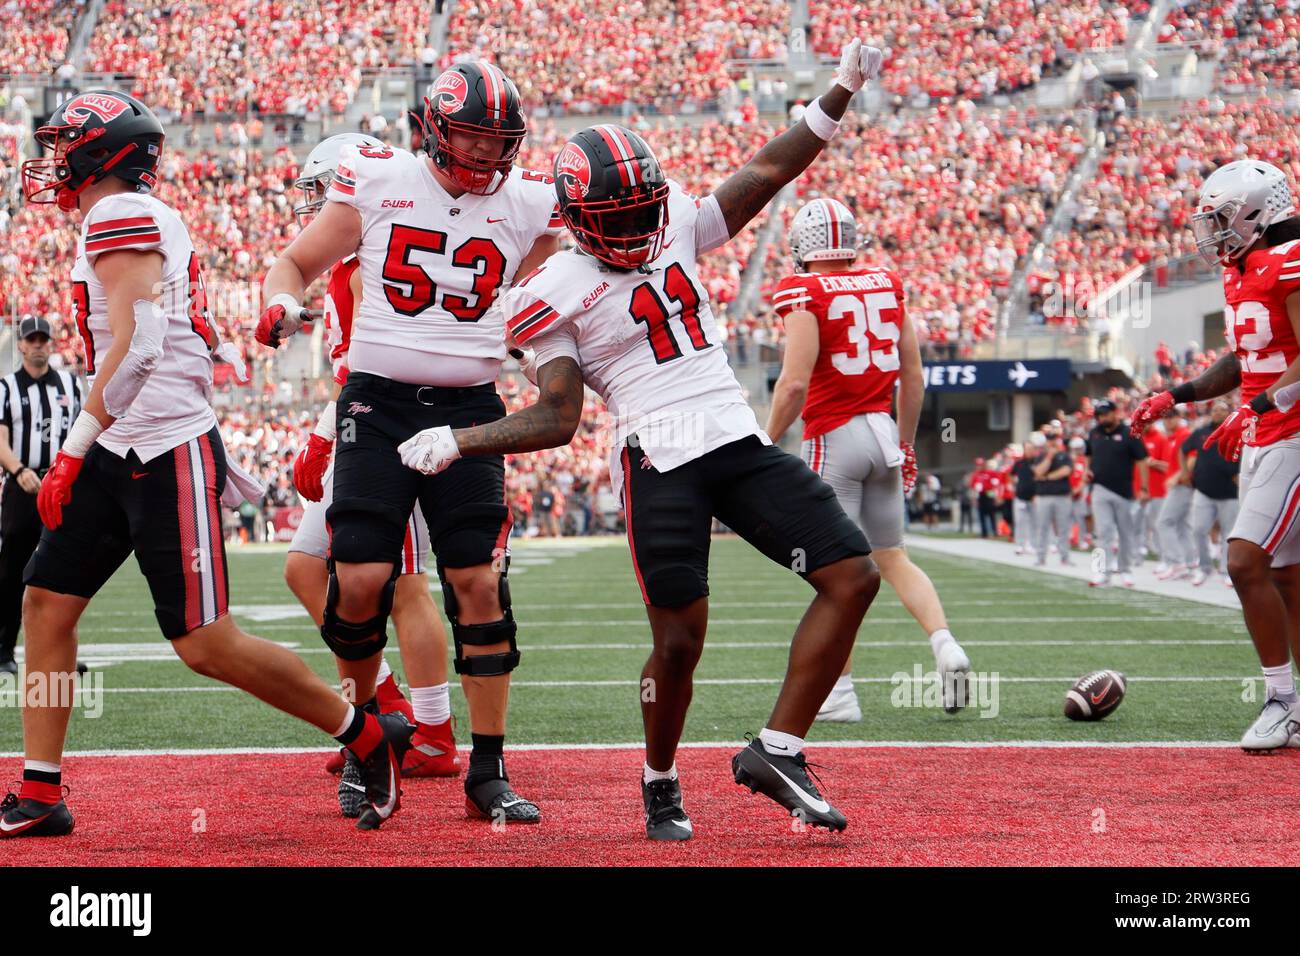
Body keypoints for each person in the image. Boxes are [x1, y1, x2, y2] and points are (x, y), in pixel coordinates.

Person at [397, 40, 887, 839]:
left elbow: (768, 170)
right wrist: (464, 438)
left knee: (853, 574)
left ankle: (778, 748)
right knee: (681, 641)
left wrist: (839, 89)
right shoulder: (549, 292)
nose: (634, 227)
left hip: (731, 436)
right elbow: (559, 419)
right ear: (578, 220)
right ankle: (661, 780)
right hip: (659, 459)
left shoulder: (680, 223)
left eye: (640, 209)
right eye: (614, 217)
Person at [4, 90, 412, 838]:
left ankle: (362, 730)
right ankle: (39, 788)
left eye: (68, 144)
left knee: (203, 643)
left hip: (162, 447)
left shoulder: (117, 213)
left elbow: (144, 345)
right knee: (46, 604)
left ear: (104, 153)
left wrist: (70, 449)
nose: (56, 159)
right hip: (120, 440)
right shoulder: (119, 216)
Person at [259, 62, 562, 823]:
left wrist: (531, 322)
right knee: (357, 582)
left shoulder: (529, 203)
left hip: (471, 409)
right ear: (433, 128)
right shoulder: (378, 178)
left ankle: (487, 766)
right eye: (472, 137)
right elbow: (297, 261)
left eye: (500, 142)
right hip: (378, 404)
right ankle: (368, 745)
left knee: (479, 585)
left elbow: (561, 277)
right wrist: (276, 299)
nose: (489, 156)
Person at [281, 134, 459, 816]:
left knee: (407, 584)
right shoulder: (349, 265)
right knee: (304, 568)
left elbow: (366, 370)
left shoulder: (368, 264)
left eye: (319, 192)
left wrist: (320, 439)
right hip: (362, 428)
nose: (312, 205)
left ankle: (437, 734)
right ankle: (382, 712)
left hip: (388, 432)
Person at [764, 195, 971, 723]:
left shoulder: (802, 289)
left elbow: (793, 383)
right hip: (882, 432)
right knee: (894, 556)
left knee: (836, 574)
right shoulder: (886, 283)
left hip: (833, 436)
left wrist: (764, 440)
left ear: (802, 246)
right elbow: (915, 378)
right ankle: (946, 645)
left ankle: (840, 693)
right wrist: (904, 442)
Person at [1130, 159, 1300, 751]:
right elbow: (1244, 360)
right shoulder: (1242, 270)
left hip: (1291, 433)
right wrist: (1175, 396)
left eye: (1223, 218)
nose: (1213, 231)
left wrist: (1257, 411)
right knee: (1286, 576)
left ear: (1259, 212)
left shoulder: (1290, 259)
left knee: (1244, 561)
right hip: (1266, 432)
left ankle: (1282, 700)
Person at [0, 317, 85, 675]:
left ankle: (61, 654)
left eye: (43, 339)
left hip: (62, 484)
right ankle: (4, 651)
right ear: (20, 345)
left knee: (65, 572)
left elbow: (86, 431)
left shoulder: (69, 384)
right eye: (31, 339)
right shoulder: (6, 387)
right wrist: (19, 471)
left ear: (51, 343)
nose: (37, 345)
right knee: (12, 573)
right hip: (23, 486)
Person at [1085, 399, 1149, 587]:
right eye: (1099, 414)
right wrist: (1088, 470)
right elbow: (1088, 454)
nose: (1102, 418)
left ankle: (1126, 570)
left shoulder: (1130, 432)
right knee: (1102, 532)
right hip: (1099, 488)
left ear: (1115, 413)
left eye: (1106, 413)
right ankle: (1100, 573)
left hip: (1123, 491)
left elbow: (1142, 461)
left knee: (1125, 533)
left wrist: (1144, 487)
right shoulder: (1094, 433)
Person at [1183, 402, 1240, 586]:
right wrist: (1185, 473)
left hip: (1230, 492)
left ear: (1228, 413)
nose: (1218, 413)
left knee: (1228, 534)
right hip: (1204, 490)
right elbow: (1183, 449)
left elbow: (1248, 452)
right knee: (1199, 530)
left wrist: (1241, 474)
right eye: (1215, 410)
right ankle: (1204, 567)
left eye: (1222, 409)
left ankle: (1226, 570)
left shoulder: (1236, 431)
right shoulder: (1201, 432)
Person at [1155, 412, 1194, 579]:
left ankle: (1177, 563)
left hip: (1182, 485)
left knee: (1164, 522)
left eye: (1170, 417)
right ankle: (1189, 563)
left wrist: (1176, 477)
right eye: (1165, 418)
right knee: (1182, 526)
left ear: (1178, 418)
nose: (1167, 420)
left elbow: (1193, 458)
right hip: (1179, 485)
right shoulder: (1175, 436)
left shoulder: (1184, 434)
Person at [1033, 430, 1074, 566]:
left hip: (1062, 496)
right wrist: (1049, 458)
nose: (1052, 442)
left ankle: (1065, 557)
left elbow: (1066, 471)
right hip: (1044, 497)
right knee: (1042, 528)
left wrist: (1047, 477)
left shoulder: (1064, 455)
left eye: (1054, 439)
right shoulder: (1041, 456)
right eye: (1049, 439)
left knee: (1063, 528)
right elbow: (1038, 471)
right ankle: (1040, 557)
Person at [1010, 436, 1041, 554]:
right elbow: (1011, 475)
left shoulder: (1038, 462)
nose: (1029, 451)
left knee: (1034, 522)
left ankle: (1032, 545)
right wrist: (1015, 484)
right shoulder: (1019, 463)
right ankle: (1020, 545)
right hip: (1020, 497)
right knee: (1020, 522)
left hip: (1034, 497)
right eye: (1027, 449)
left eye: (1031, 449)